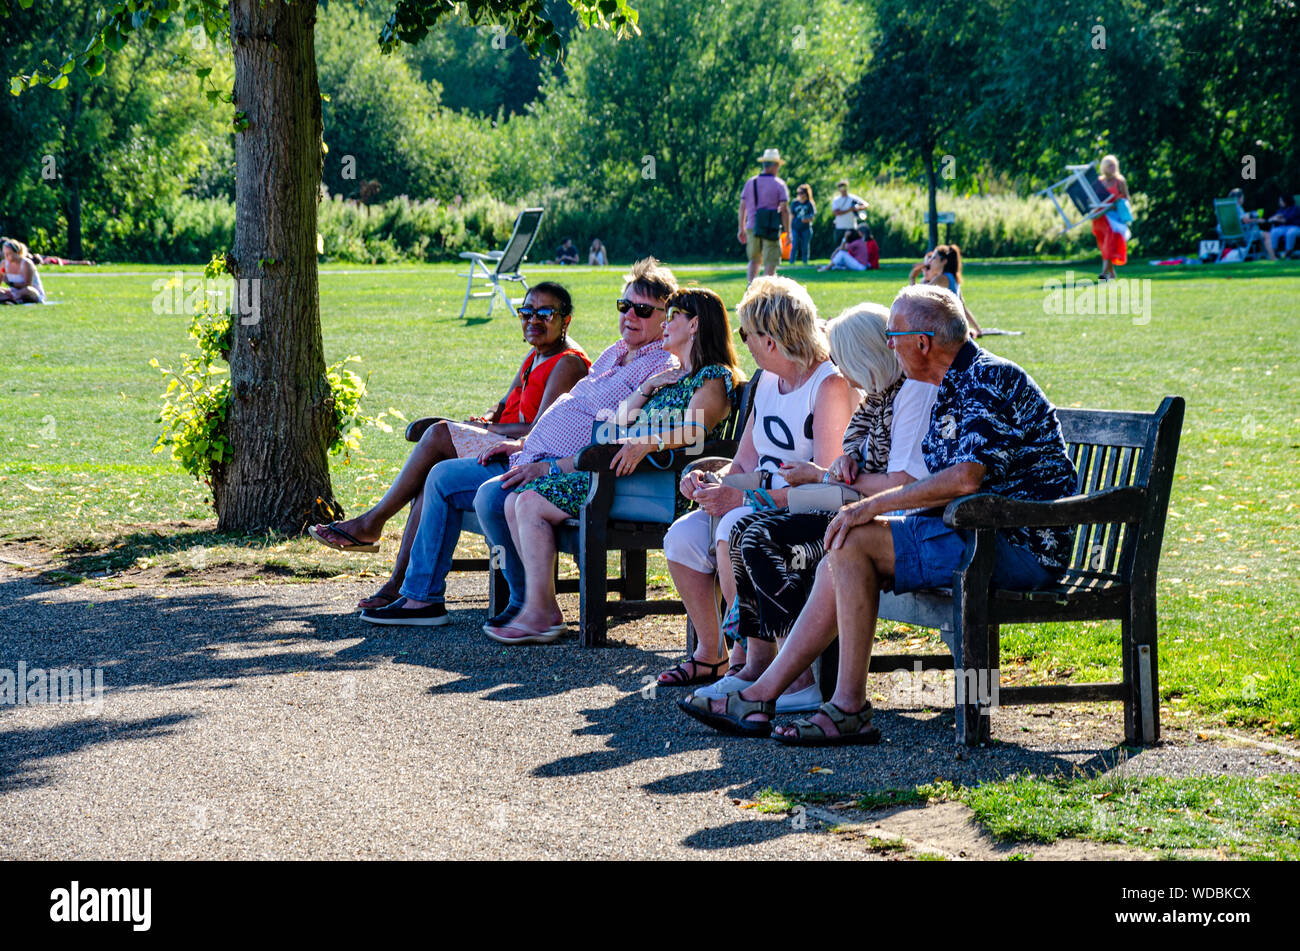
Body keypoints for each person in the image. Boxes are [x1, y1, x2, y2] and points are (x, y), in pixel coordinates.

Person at [677, 284, 1078, 744]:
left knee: (849, 534)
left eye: (893, 336)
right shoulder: (946, 384)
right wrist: (854, 488)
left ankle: (790, 696)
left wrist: (870, 506)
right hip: (969, 530)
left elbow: (965, 478)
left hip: (1012, 543)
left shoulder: (987, 379)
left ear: (922, 342)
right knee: (846, 541)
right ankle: (819, 701)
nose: (889, 346)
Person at [687, 302, 938, 713]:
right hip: (850, 509)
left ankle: (795, 682)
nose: (839, 369)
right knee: (746, 532)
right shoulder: (876, 400)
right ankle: (758, 667)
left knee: (758, 537)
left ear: (863, 357)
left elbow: (899, 484)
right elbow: (847, 465)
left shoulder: (908, 396)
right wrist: (838, 467)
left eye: (843, 359)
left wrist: (825, 476)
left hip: (876, 519)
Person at [309, 283, 590, 609]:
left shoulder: (568, 363)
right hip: (503, 441)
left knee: (440, 435)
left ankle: (374, 529)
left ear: (566, 320)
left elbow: (542, 428)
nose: (533, 320)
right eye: (526, 312)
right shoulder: (536, 355)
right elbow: (501, 405)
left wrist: (486, 428)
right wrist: (486, 418)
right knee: (430, 474)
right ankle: (399, 584)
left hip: (526, 452)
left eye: (545, 313)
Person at [491, 288, 743, 644]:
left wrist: (645, 442)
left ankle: (540, 612)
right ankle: (541, 609)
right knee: (515, 499)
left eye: (672, 317)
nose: (664, 325)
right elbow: (617, 424)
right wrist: (648, 386)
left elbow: (696, 431)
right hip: (624, 478)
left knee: (528, 503)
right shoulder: (672, 377)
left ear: (695, 325)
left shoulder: (712, 377)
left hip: (658, 486)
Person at [445, 258, 680, 633]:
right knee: (487, 494)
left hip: (584, 470)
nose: (629, 315)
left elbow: (621, 432)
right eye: (625, 306)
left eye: (642, 310)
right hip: (539, 455)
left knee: (494, 496)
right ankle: (531, 604)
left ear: (667, 318)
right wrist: (523, 442)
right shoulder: (615, 351)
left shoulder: (660, 364)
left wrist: (549, 466)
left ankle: (534, 606)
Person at [655, 276, 856, 688]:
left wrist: (744, 498)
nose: (742, 341)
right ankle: (712, 654)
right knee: (681, 538)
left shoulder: (829, 385)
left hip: (801, 515)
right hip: (755, 500)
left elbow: (826, 488)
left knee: (733, 527)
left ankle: (753, 660)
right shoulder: (767, 380)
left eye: (747, 333)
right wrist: (710, 481)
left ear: (771, 338)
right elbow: (744, 460)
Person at [738, 148, 792, 283]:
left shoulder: (751, 182)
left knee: (754, 261)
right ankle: (765, 294)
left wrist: (741, 228)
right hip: (771, 228)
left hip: (752, 227)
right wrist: (788, 231)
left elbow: (742, 206)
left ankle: (750, 288)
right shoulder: (779, 184)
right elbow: (784, 209)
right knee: (770, 262)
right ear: (775, 165)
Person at [909, 244, 983, 336]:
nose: (930, 261)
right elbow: (962, 307)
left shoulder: (942, 278)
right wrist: (977, 329)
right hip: (955, 326)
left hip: (949, 330)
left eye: (934, 258)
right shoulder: (952, 278)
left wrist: (912, 277)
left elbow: (915, 297)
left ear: (944, 261)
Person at [1092, 154, 1131, 279]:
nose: (1113, 167)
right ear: (1104, 167)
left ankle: (1104, 273)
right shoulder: (1098, 182)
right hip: (1100, 217)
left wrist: (1118, 204)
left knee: (1110, 243)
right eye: (1110, 165)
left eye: (1114, 165)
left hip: (1114, 218)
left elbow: (1126, 198)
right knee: (1104, 245)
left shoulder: (1120, 181)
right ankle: (1112, 273)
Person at [0, 239, 45, 304]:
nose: (6, 256)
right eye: (5, 254)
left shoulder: (26, 263)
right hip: (14, 292)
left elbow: (27, 285)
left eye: (9, 254)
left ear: (17, 253)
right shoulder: (3, 264)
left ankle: (11, 299)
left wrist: (10, 283)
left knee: (27, 290)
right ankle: (11, 300)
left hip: (30, 292)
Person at [829, 180, 868, 250]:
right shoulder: (836, 200)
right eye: (841, 188)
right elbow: (836, 213)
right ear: (839, 189)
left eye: (845, 187)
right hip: (840, 228)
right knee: (839, 248)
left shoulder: (853, 198)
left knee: (852, 249)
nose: (843, 190)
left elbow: (866, 205)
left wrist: (858, 208)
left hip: (852, 227)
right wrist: (850, 210)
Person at [788, 184, 816, 265]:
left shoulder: (810, 203)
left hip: (806, 228)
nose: (800, 194)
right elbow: (791, 216)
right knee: (794, 245)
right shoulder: (794, 203)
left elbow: (812, 216)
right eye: (799, 193)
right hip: (795, 228)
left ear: (806, 193)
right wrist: (789, 228)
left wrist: (807, 219)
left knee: (805, 246)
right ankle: (791, 262)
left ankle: (805, 261)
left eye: (801, 193)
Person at [1268, 194, 1300, 258]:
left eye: (1281, 201)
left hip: (1295, 227)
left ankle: (1288, 252)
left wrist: (1280, 218)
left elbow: (1288, 219)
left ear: (1286, 201)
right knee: (1274, 231)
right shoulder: (1281, 210)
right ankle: (1274, 251)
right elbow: (1272, 219)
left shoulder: (1295, 208)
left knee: (1290, 233)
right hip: (1283, 227)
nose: (1280, 202)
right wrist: (1275, 218)